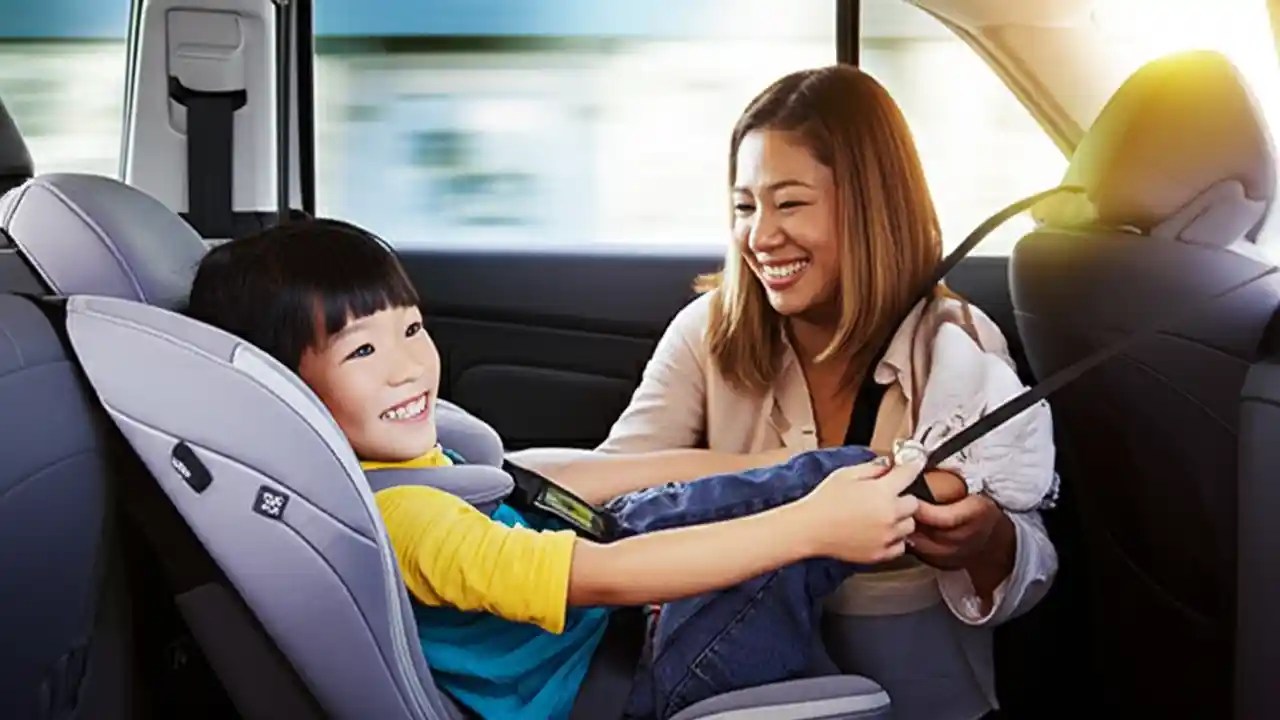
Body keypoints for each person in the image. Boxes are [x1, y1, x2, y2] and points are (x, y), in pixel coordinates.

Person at [184, 218, 963, 720]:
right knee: (801, 526)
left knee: (794, 482)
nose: (408, 368)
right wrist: (806, 526)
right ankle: (930, 493)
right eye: (362, 350)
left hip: (610, 635)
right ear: (287, 388)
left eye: (412, 328)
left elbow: (559, 481)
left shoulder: (406, 460)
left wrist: (763, 462)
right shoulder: (407, 520)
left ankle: (918, 483)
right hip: (629, 681)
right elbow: (609, 575)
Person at [595, 65, 1059, 719]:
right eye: (744, 207)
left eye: (789, 204)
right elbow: (616, 500)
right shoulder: (708, 334)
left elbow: (1031, 559)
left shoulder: (953, 347)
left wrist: (987, 543)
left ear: (870, 206)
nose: (759, 236)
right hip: (738, 703)